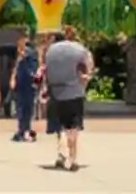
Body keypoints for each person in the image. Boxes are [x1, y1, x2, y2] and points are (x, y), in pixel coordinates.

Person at [44, 27, 93, 172]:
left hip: (56, 92)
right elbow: (89, 67)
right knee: (73, 128)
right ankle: (73, 158)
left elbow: (46, 71)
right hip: (74, 92)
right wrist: (85, 80)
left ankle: (61, 154)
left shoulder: (50, 51)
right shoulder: (79, 50)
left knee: (61, 127)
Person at [9, 31, 39, 142]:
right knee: (25, 109)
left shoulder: (28, 52)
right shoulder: (30, 53)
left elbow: (20, 64)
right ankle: (24, 130)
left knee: (24, 109)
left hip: (26, 84)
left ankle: (24, 131)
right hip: (26, 84)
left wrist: (13, 78)